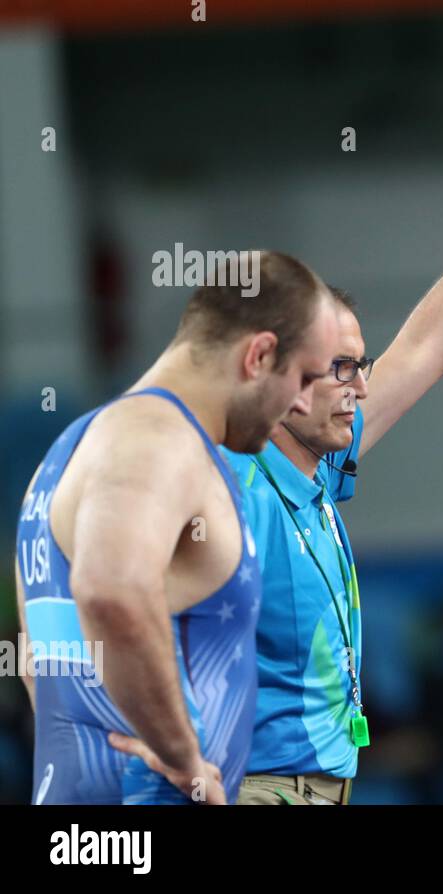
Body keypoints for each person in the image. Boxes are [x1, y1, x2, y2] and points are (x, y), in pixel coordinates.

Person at [110, 126, 443, 805]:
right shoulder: (222, 483)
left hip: (319, 788)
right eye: (341, 370)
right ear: (274, 374)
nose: (363, 387)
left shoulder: (318, 465)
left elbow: (430, 346)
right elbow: (95, 596)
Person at [15, 251, 340, 803]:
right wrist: (183, 758)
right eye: (305, 378)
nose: (303, 402)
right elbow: (110, 592)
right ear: (259, 356)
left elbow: (37, 665)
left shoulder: (70, 452)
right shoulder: (159, 442)